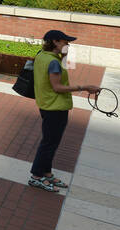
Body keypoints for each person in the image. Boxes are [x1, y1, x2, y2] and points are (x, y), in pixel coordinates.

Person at [29, 30, 100, 193]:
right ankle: (36, 177)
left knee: (51, 142)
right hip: (55, 107)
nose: (68, 45)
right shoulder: (53, 62)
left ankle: (46, 173)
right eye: (65, 42)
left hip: (46, 105)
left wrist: (65, 55)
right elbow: (57, 87)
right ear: (55, 42)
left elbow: (56, 71)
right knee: (49, 144)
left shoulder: (42, 55)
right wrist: (85, 87)